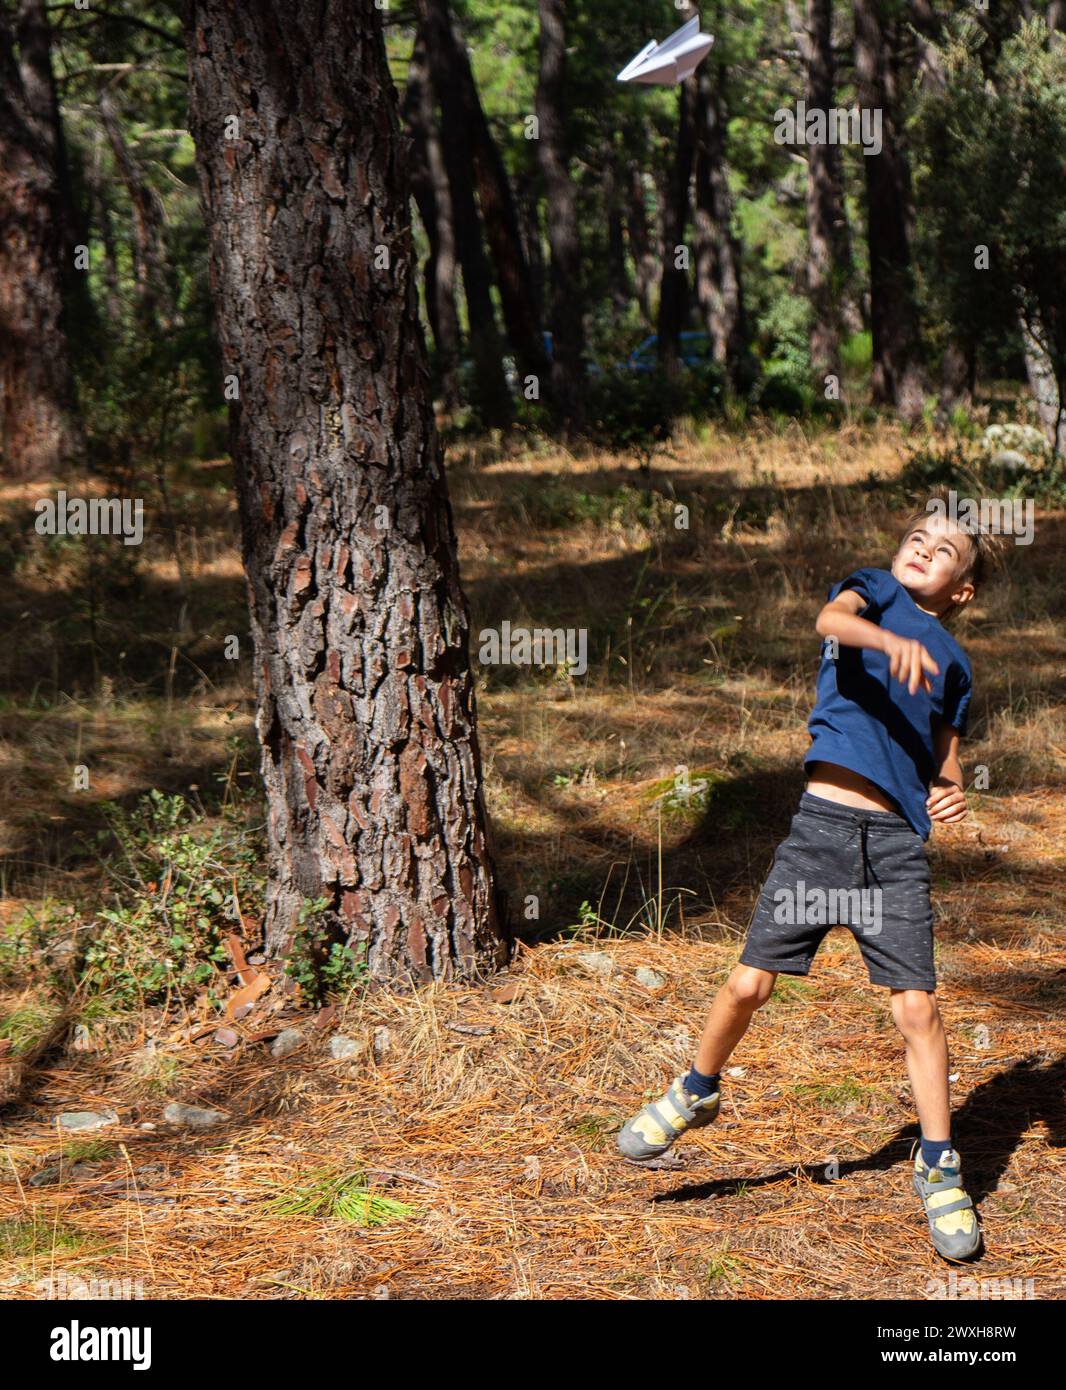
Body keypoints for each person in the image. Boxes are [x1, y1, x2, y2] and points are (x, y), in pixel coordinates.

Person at [618, 495, 1004, 1261]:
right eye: (917, 538)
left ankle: (939, 1166)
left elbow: (943, 743)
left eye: (944, 550)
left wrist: (951, 783)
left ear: (961, 590)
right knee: (748, 987)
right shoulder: (875, 591)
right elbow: (832, 623)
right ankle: (695, 1090)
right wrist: (882, 641)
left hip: (893, 845)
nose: (924, 549)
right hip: (822, 834)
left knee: (917, 1010)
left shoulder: (953, 662)